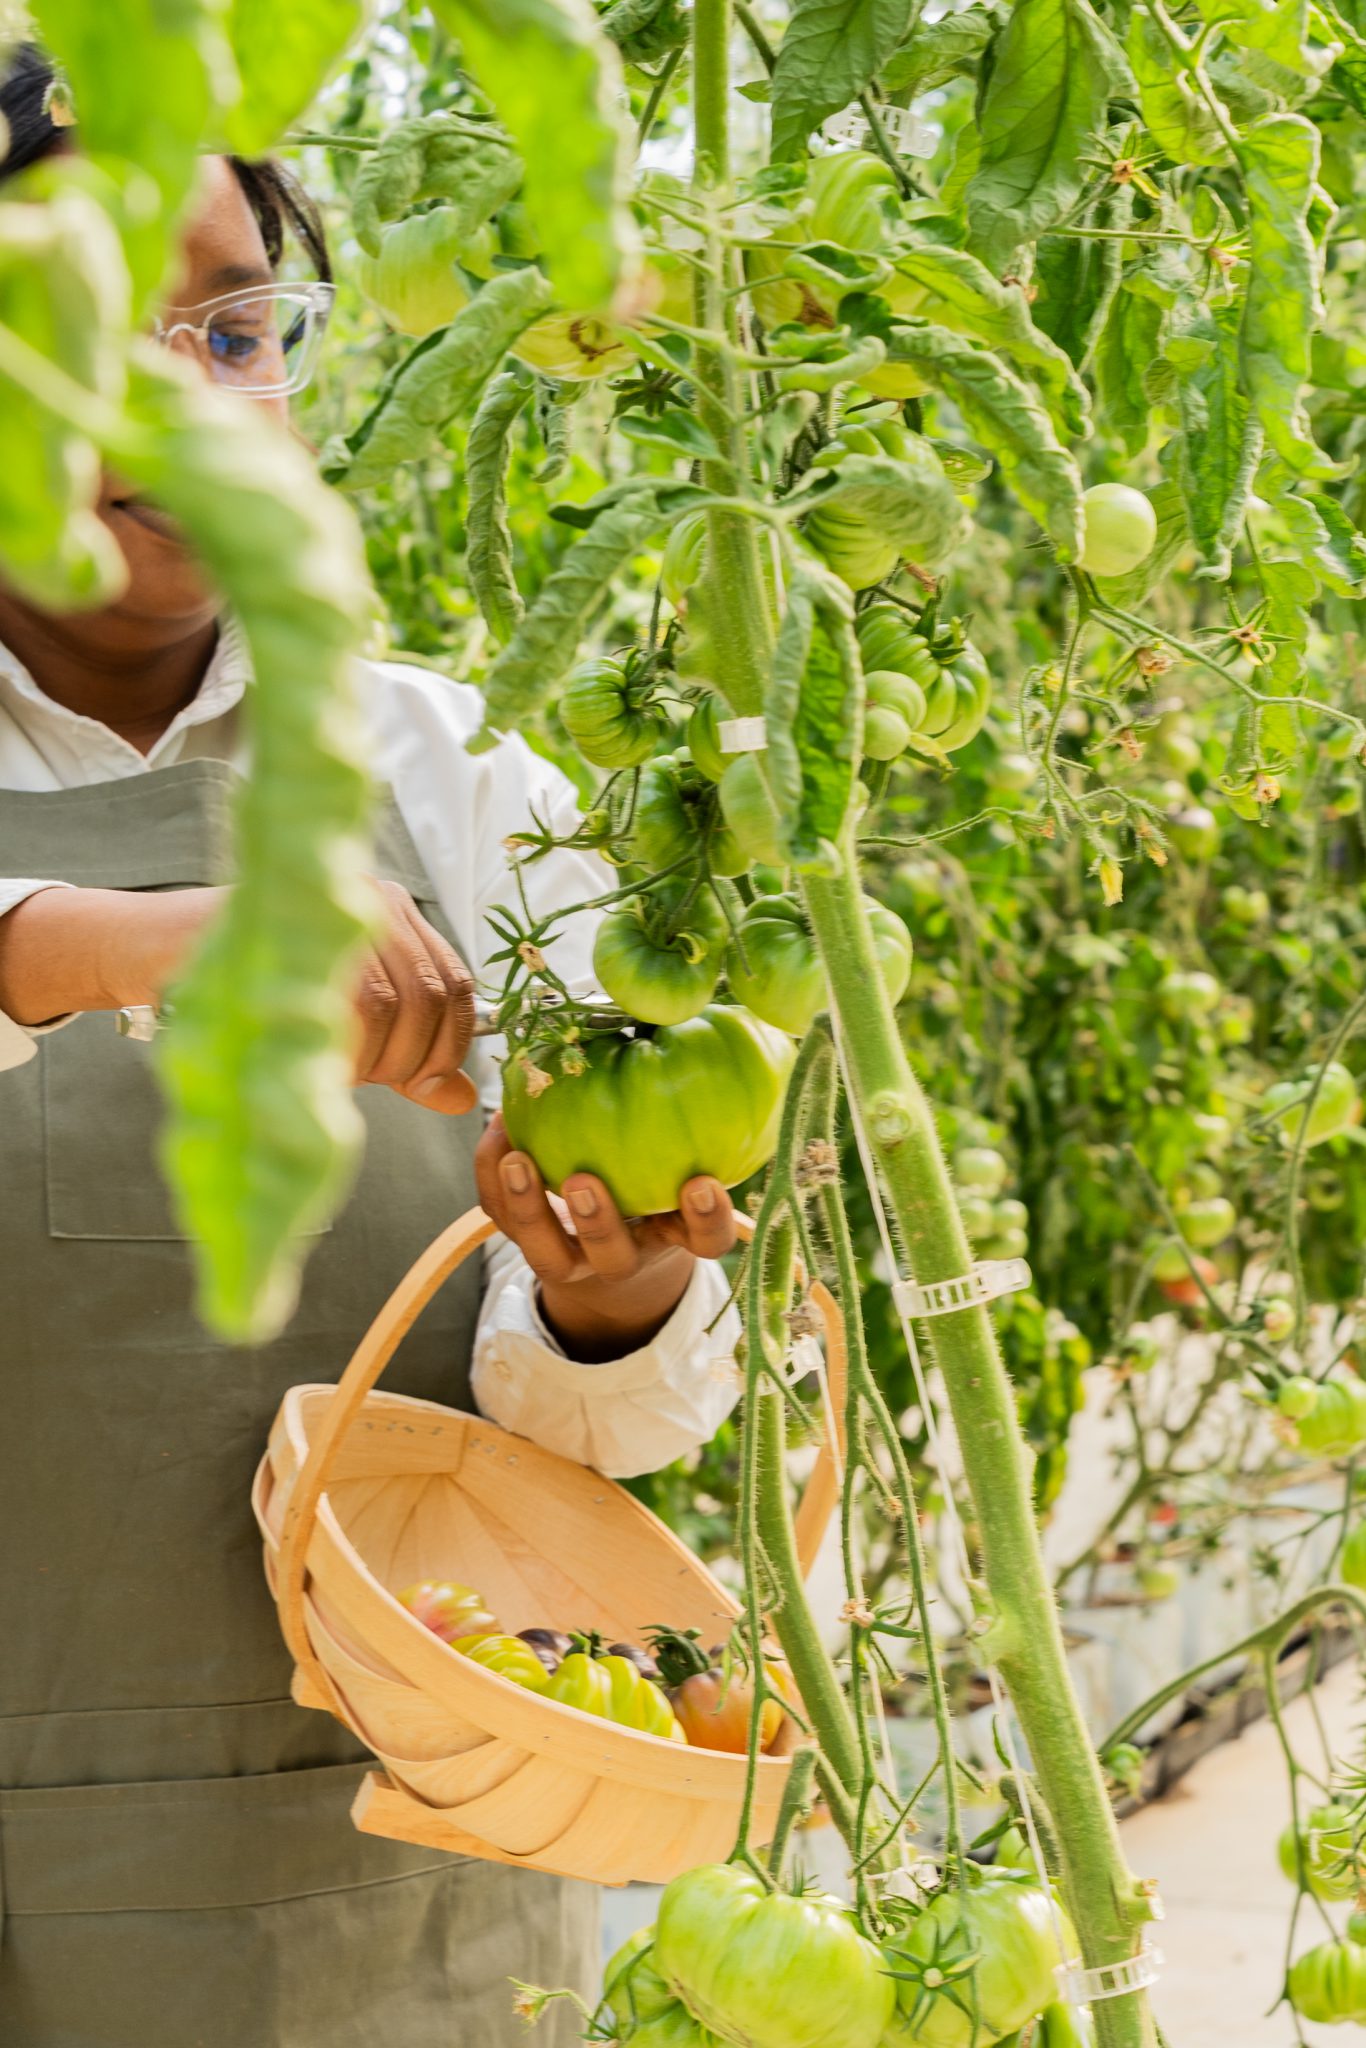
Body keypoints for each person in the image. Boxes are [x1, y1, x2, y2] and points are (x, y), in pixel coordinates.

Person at [0, 45, 740, 2048]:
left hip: (394, 1873)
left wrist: (616, 1301)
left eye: (235, 326)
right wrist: (112, 939)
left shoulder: (448, 778)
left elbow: (603, 1442)